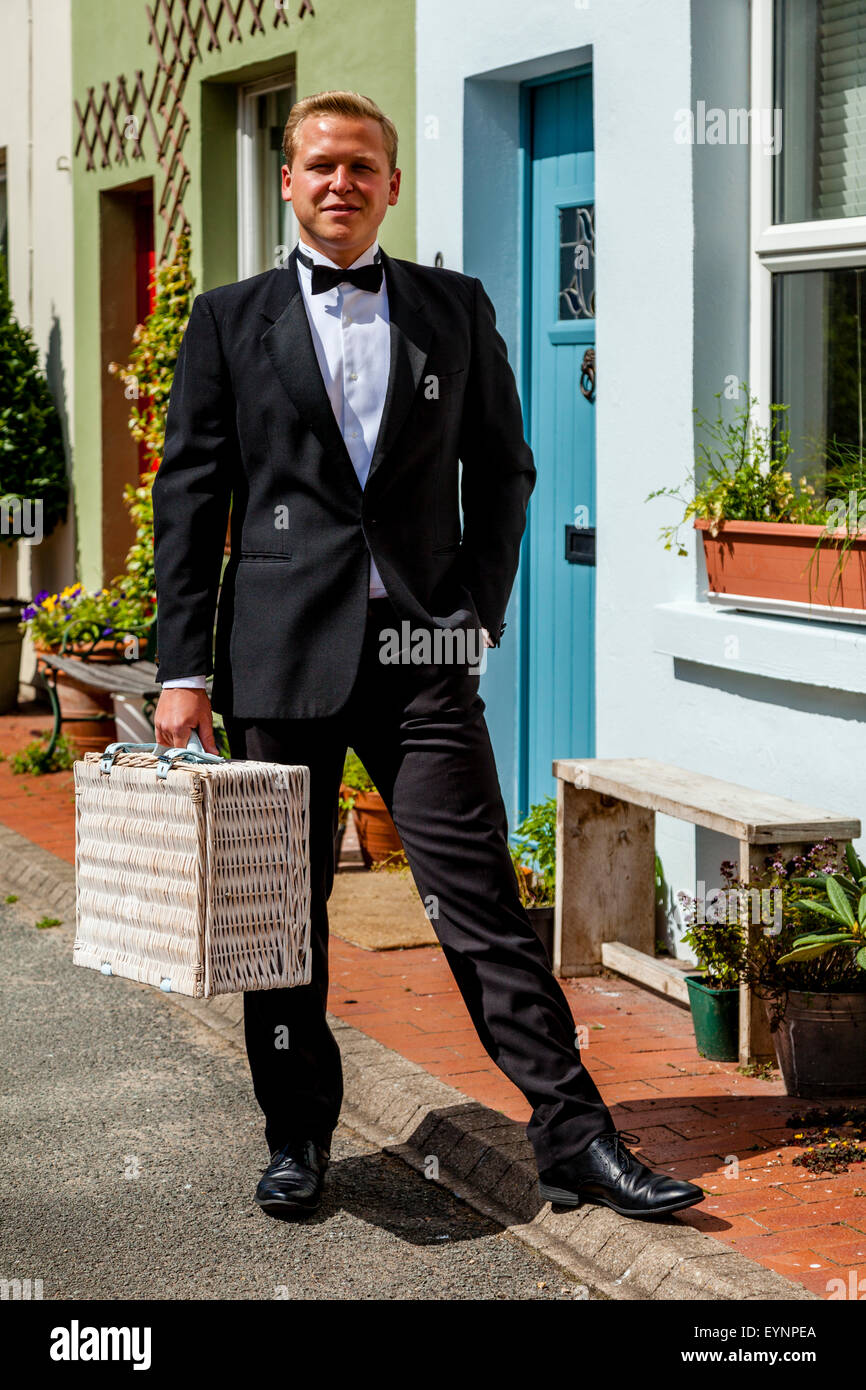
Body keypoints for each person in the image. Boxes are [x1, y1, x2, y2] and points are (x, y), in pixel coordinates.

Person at [151, 89, 704, 1223]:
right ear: (291, 183)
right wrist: (181, 671)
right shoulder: (225, 319)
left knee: (481, 903)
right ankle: (297, 1134)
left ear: (391, 184)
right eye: (318, 166)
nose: (339, 183)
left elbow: (502, 468)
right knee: (280, 918)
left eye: (361, 166)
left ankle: (573, 1137)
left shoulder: (452, 308)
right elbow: (190, 499)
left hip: (419, 658)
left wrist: (477, 614)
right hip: (275, 663)